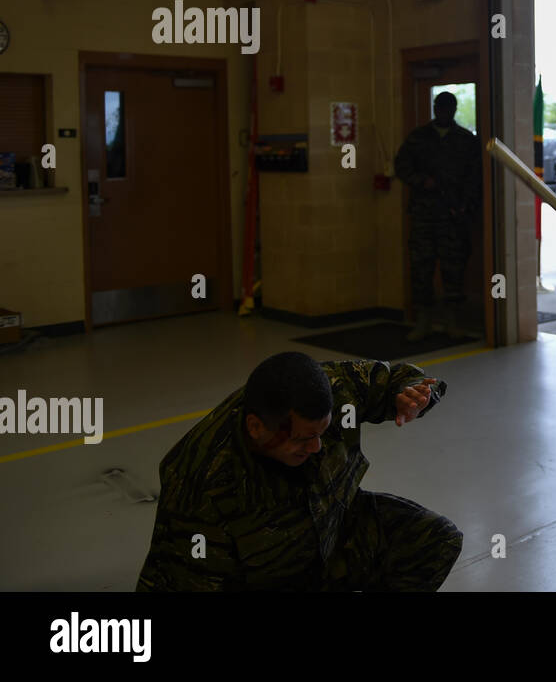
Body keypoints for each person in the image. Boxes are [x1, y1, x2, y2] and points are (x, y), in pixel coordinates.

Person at [137, 352, 462, 591]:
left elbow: (399, 378)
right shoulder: (201, 480)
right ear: (256, 428)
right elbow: (188, 580)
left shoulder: (334, 389)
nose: (317, 448)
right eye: (304, 438)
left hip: (330, 532)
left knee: (435, 539)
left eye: (322, 434)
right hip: (262, 578)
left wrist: (415, 395)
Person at [394, 91, 482, 340]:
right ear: (434, 108)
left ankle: (452, 320)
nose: (443, 111)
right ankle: (423, 320)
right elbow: (401, 166)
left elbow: (476, 178)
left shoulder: (466, 140)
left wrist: (466, 205)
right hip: (424, 215)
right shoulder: (417, 138)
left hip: (453, 217)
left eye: (447, 108)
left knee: (453, 269)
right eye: (439, 107)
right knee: (421, 268)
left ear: (453, 110)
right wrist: (423, 181)